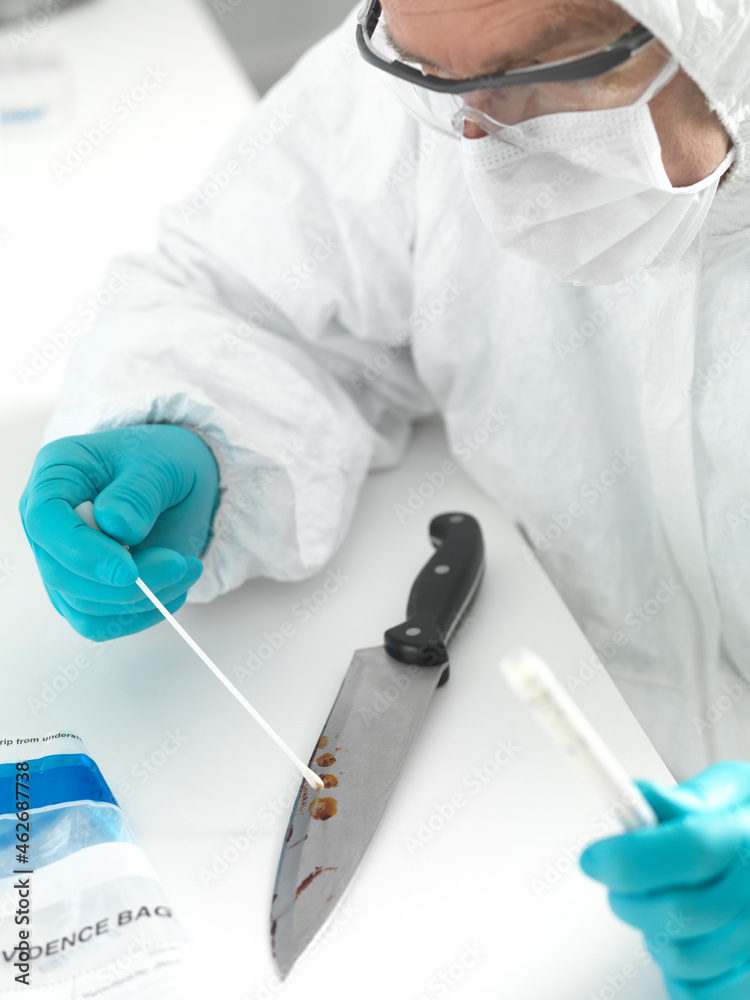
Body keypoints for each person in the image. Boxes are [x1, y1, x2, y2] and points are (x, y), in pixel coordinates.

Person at [18, 1, 750, 995]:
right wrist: (197, 437)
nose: (477, 151)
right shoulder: (447, 47)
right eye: (430, 77)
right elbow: (245, 291)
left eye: (542, 75)